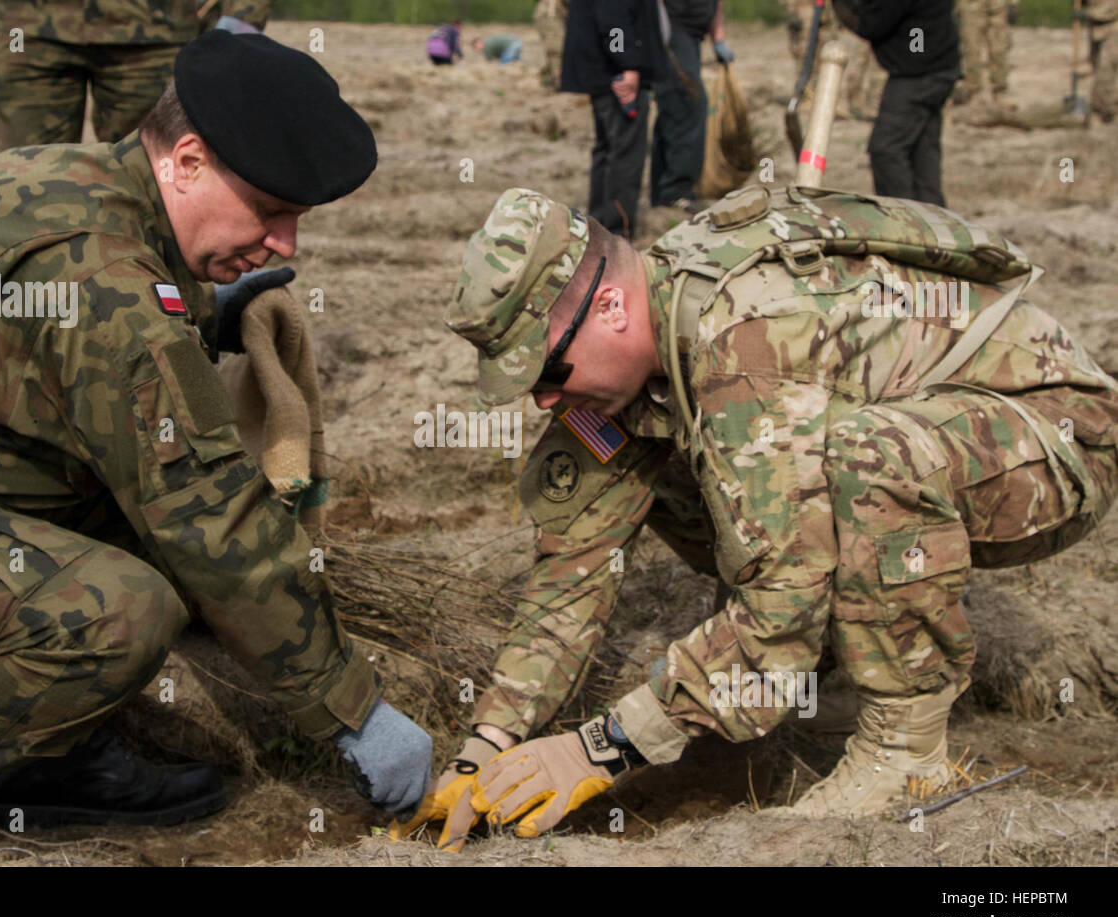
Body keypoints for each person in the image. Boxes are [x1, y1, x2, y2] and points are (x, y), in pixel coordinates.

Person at [0, 31, 433, 868]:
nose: (287, 243)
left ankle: (42, 755)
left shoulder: (74, 178)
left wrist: (199, 318)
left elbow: (29, 352)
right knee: (120, 609)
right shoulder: (102, 276)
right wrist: (355, 712)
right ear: (186, 159)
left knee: (130, 498)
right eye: (271, 209)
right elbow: (210, 516)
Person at [392, 185, 1118, 848]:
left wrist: (599, 747)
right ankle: (805, 681)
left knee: (869, 459)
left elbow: (780, 617)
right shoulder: (635, 369)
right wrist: (488, 740)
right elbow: (572, 570)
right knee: (687, 467)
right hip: (925, 435)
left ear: (610, 308)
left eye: (549, 370)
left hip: (1053, 437)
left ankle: (906, 754)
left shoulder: (745, 344)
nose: (543, 401)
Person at [0, 1, 274, 166]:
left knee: (165, 191)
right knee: (6, 188)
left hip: (156, 29)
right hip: (24, 27)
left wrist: (243, 15)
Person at [834, 0, 961, 206]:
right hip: (936, 67)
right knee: (922, 150)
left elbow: (871, 24)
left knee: (886, 149)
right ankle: (932, 217)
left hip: (918, 75)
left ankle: (901, 218)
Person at [559, 0, 669, 239]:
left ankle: (599, 228)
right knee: (625, 152)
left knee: (608, 149)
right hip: (615, 74)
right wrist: (627, 63)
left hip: (603, 72)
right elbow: (614, 20)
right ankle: (617, 231)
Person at [650, 1, 730, 210]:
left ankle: (662, 192)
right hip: (670, 31)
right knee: (689, 104)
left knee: (675, 108)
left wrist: (718, 38)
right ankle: (676, 191)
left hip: (693, 35)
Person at [952, 0, 1012, 108]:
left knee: (999, 50)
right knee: (972, 50)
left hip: (997, 5)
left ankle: (999, 93)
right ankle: (974, 93)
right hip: (971, 5)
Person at [1085, 0, 1117, 123]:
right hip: (1096, 21)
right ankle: (1100, 104)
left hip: (1112, 20)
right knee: (1095, 62)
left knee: (1107, 64)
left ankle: (1106, 107)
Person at [534, 0, 569, 90]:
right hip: (551, 11)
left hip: (564, 11)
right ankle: (560, 82)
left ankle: (549, 80)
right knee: (556, 49)